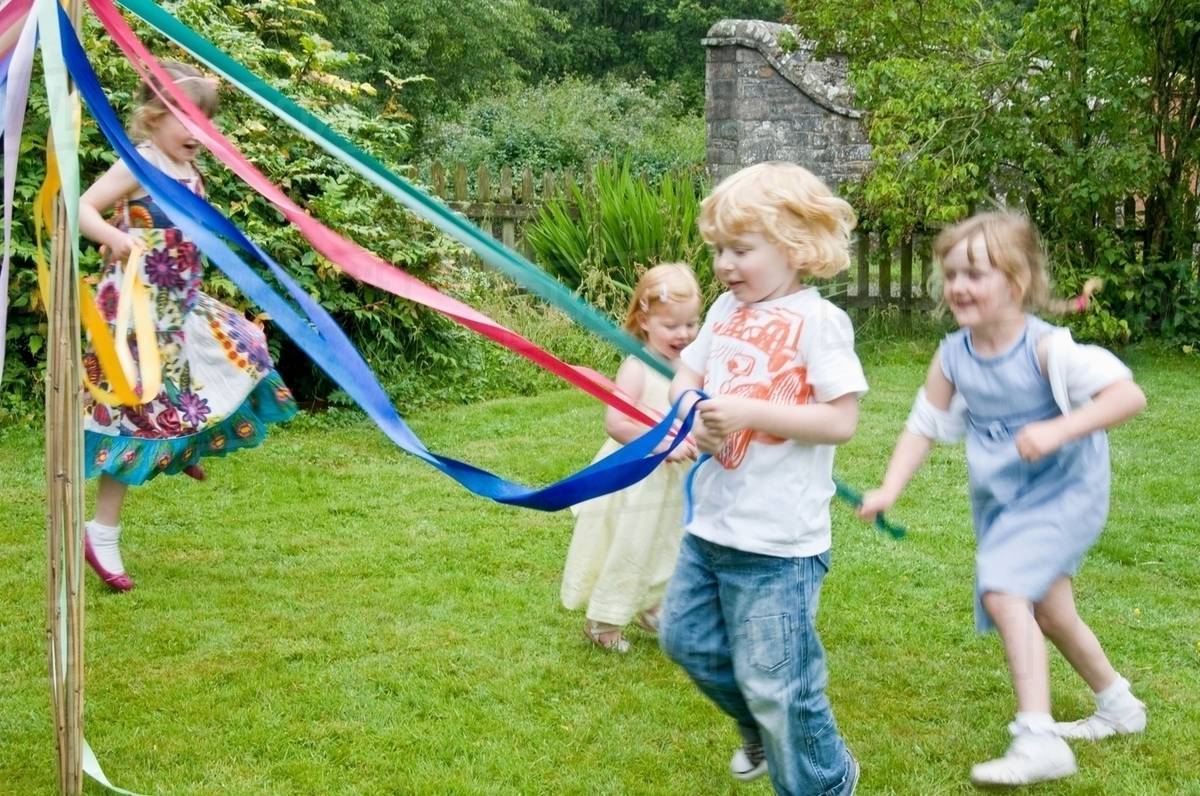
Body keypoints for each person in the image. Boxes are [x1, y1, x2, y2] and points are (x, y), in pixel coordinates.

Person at [858, 211, 1147, 786]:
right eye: (951, 274)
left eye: (975, 273)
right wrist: (889, 487)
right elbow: (924, 423)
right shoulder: (953, 355)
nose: (958, 286)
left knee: (1004, 586)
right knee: (1050, 609)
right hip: (1007, 498)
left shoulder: (1047, 349)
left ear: (1014, 284)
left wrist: (1058, 431)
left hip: (1064, 489)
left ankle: (1036, 735)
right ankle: (1118, 705)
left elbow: (1127, 396)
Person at [660, 162, 865, 795]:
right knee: (684, 639)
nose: (724, 264)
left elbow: (840, 420)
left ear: (796, 247)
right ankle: (759, 728)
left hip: (778, 545)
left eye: (741, 250)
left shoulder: (818, 323)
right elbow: (687, 376)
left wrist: (750, 411)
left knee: (782, 683)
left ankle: (826, 781)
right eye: (719, 249)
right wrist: (684, 420)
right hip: (712, 527)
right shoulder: (723, 310)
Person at [78, 61, 297, 592]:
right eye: (188, 119)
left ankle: (182, 449)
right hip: (132, 317)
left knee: (244, 352)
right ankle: (100, 532)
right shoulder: (139, 164)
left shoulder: (190, 174)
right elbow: (83, 208)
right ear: (154, 117)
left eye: (207, 122)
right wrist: (113, 235)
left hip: (177, 308)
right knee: (134, 421)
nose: (200, 132)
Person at [561, 263, 701, 652]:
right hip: (637, 481)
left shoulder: (690, 368)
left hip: (675, 483)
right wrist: (660, 445)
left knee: (671, 544)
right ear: (644, 319)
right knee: (631, 547)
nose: (684, 334)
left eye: (692, 324)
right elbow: (617, 423)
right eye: (672, 325)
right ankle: (604, 621)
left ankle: (654, 607)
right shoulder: (637, 367)